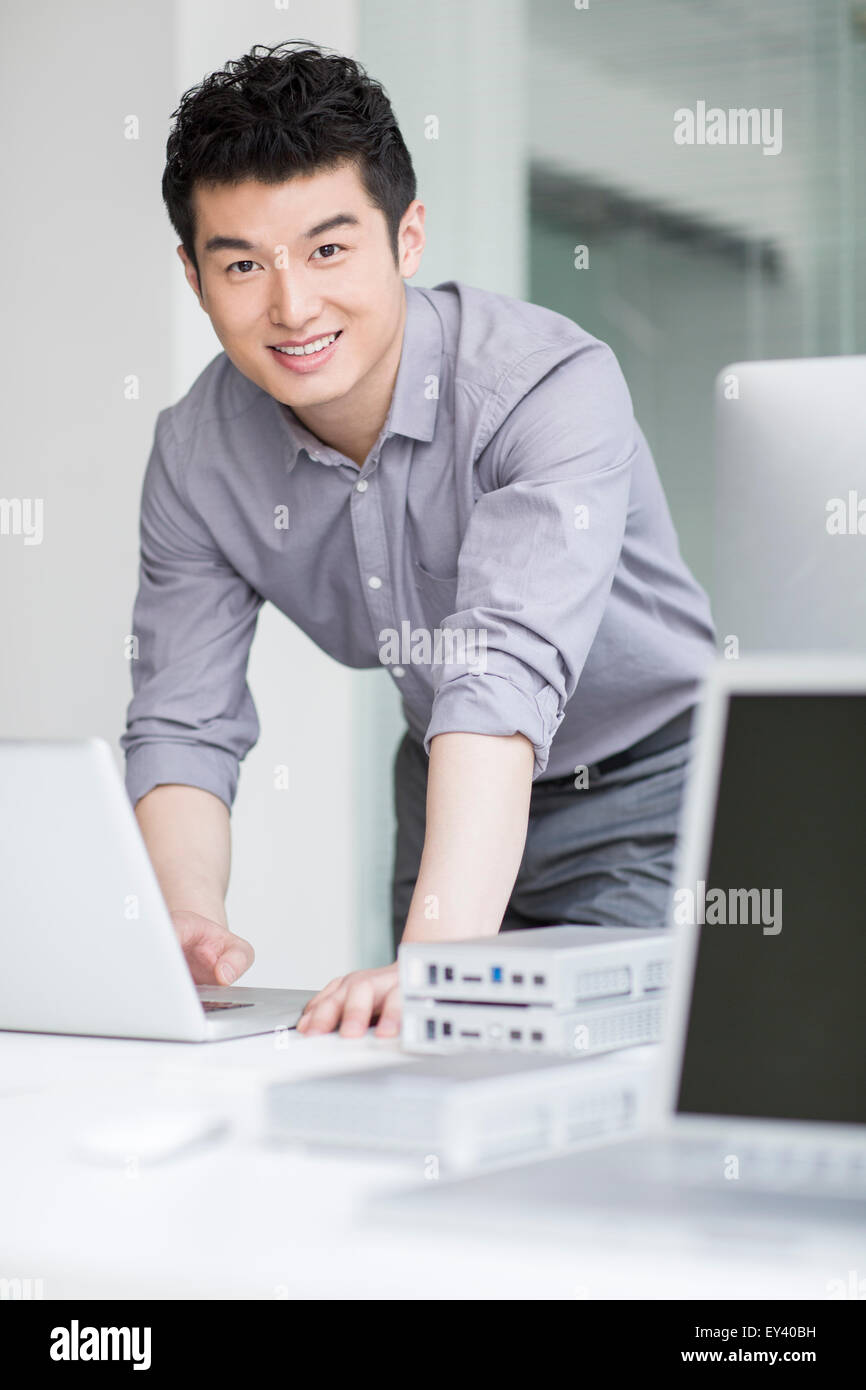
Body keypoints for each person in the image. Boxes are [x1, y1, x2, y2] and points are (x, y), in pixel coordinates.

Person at [120, 40, 717, 1040]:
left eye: (326, 249)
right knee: (419, 1076)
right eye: (241, 264)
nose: (291, 305)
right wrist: (182, 920)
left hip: (649, 788)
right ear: (194, 275)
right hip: (448, 784)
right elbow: (183, 719)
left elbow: (496, 674)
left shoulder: (544, 386)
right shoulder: (196, 454)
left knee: (571, 1084)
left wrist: (438, 960)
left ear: (406, 238)